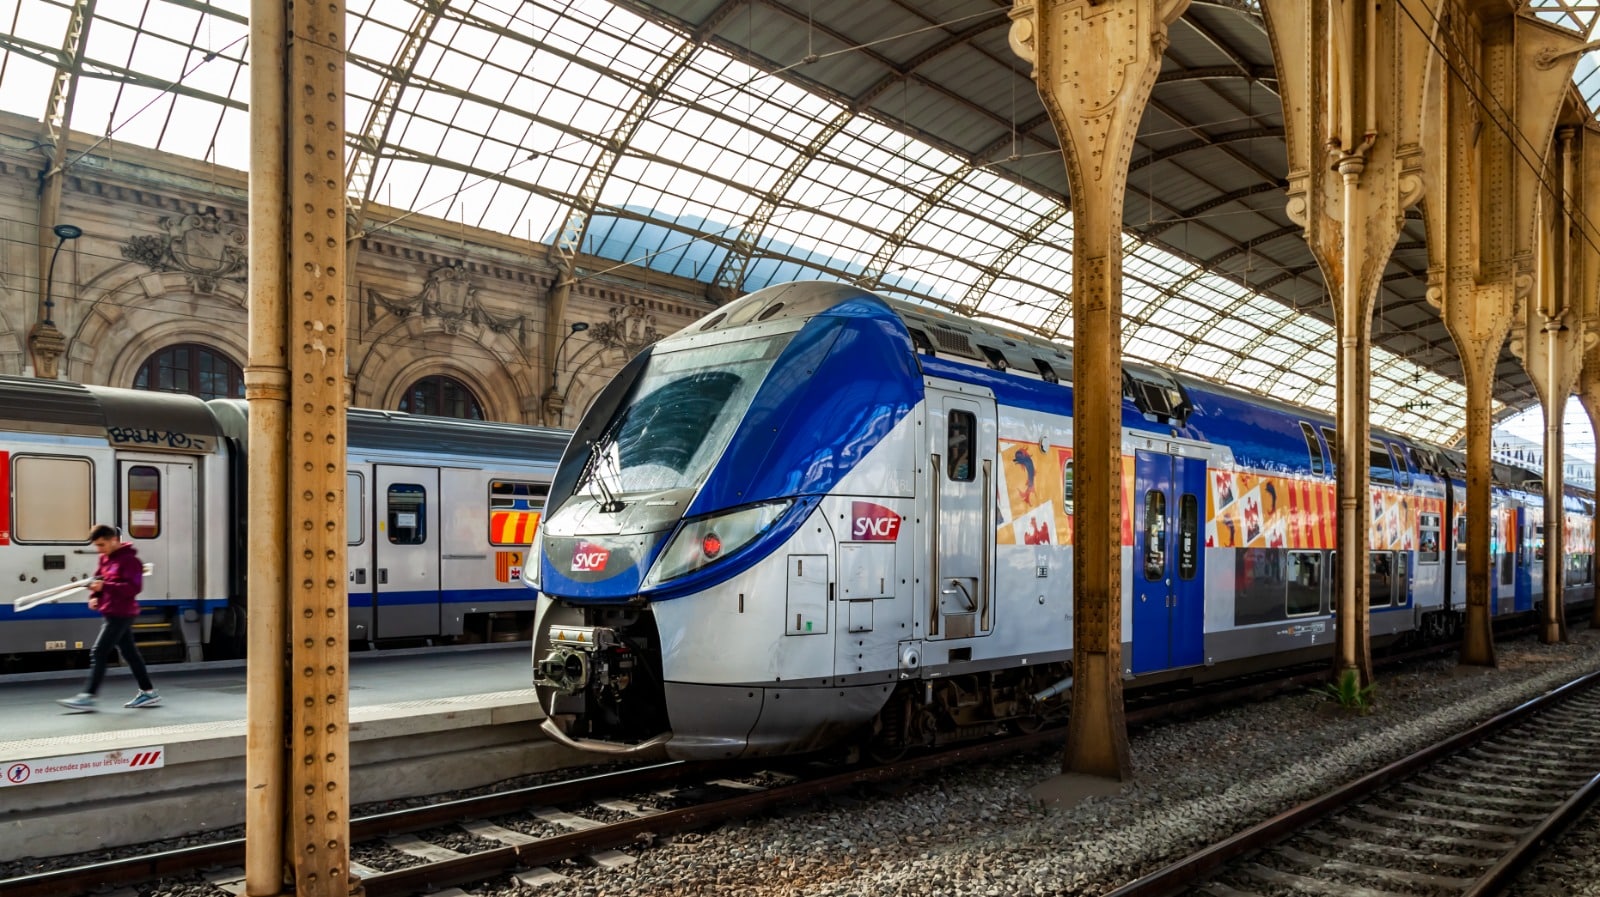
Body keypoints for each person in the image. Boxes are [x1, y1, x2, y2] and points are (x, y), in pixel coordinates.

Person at [57, 525, 160, 712]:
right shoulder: (105, 558)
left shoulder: (130, 561)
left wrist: (103, 588)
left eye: (101, 545)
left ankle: (88, 696)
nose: (99, 549)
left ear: (114, 540)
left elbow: (133, 589)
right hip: (111, 611)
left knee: (98, 652)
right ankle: (148, 692)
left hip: (122, 613)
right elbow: (98, 579)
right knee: (130, 654)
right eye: (97, 546)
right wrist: (94, 597)